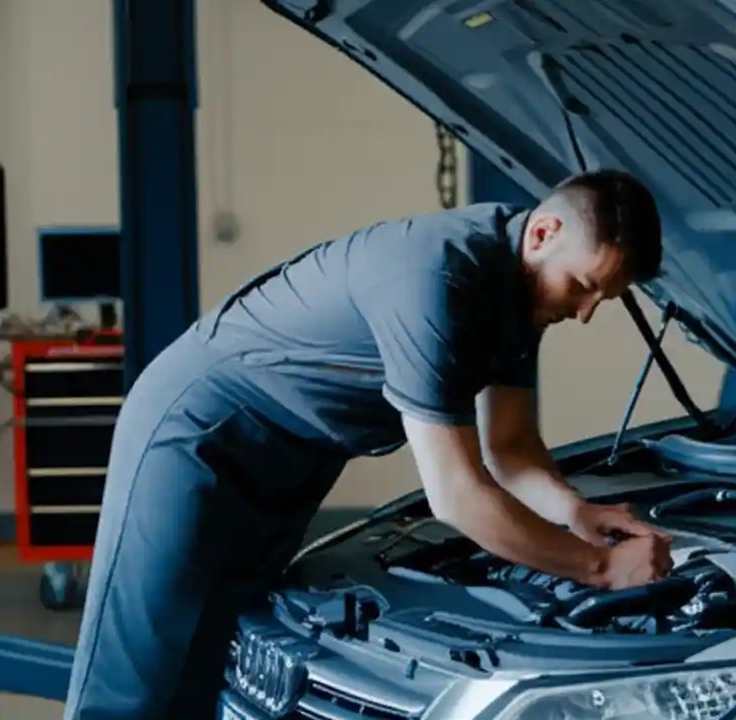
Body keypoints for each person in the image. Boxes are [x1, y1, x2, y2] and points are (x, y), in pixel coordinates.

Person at [63, 168, 675, 719]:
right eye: (583, 286)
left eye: (606, 298)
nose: (588, 312)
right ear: (542, 235)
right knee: (138, 673)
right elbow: (458, 496)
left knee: (219, 651)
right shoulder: (437, 277)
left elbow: (510, 448)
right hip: (197, 433)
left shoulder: (520, 299)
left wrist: (575, 513)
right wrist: (598, 570)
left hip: (293, 458)